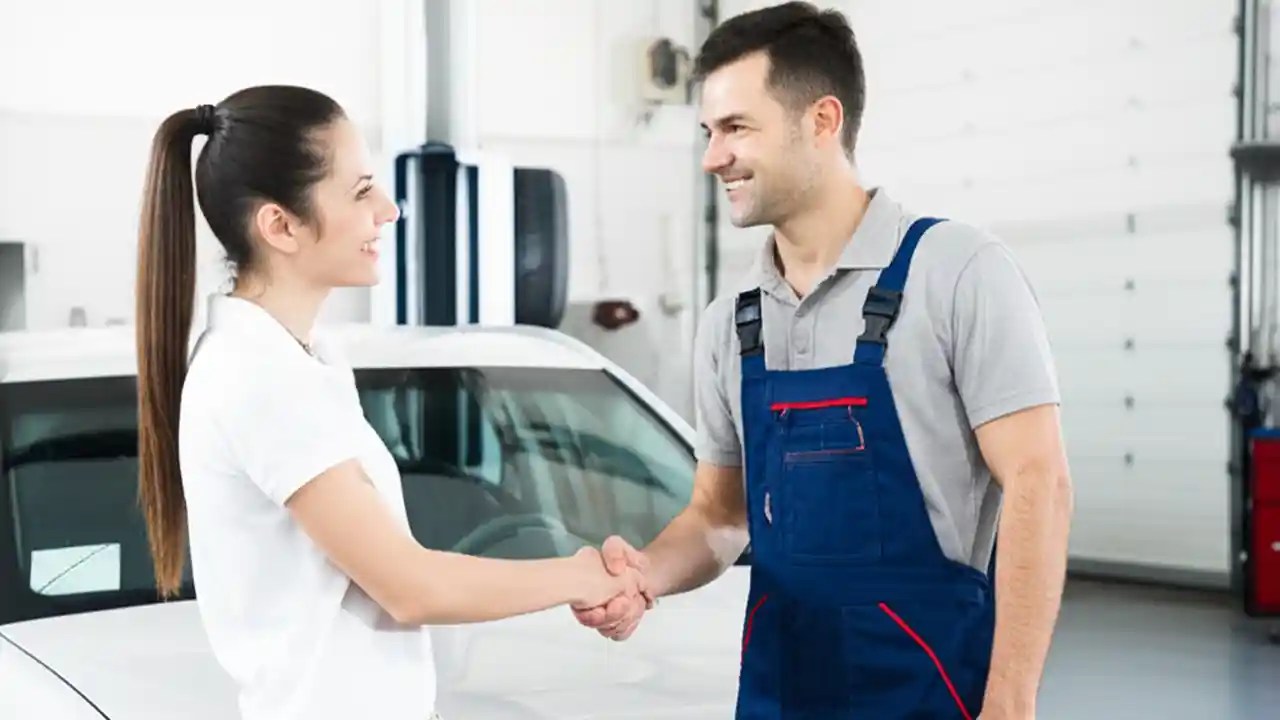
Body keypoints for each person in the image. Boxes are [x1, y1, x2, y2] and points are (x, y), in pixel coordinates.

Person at [573, 3, 1074, 718]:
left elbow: (1039, 484)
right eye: (709, 133)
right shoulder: (729, 322)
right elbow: (719, 517)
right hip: (781, 691)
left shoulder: (959, 273)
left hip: (932, 690)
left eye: (738, 128)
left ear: (823, 121)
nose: (714, 156)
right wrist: (647, 572)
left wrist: (1012, 701)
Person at [133, 85, 646, 720]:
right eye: (359, 191)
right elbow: (409, 586)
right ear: (280, 225)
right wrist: (584, 575)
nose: (389, 209)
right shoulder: (258, 378)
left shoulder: (298, 359)